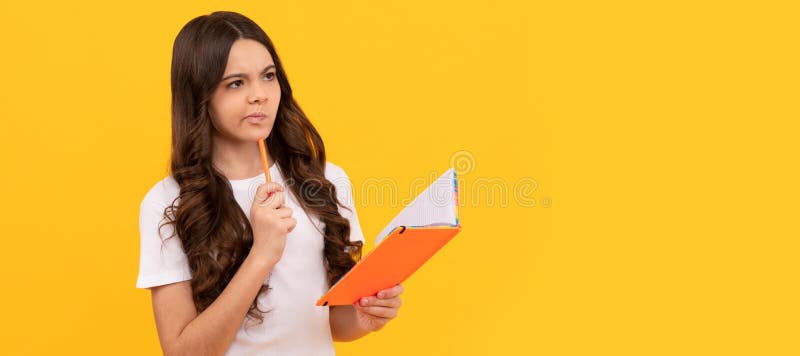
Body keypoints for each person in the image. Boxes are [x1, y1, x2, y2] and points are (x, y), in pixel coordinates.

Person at [136, 11, 403, 355]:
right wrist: (261, 255)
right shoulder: (166, 204)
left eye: (268, 76)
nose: (259, 95)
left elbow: (331, 322)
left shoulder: (324, 180)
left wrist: (366, 317)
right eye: (236, 83)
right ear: (200, 95)